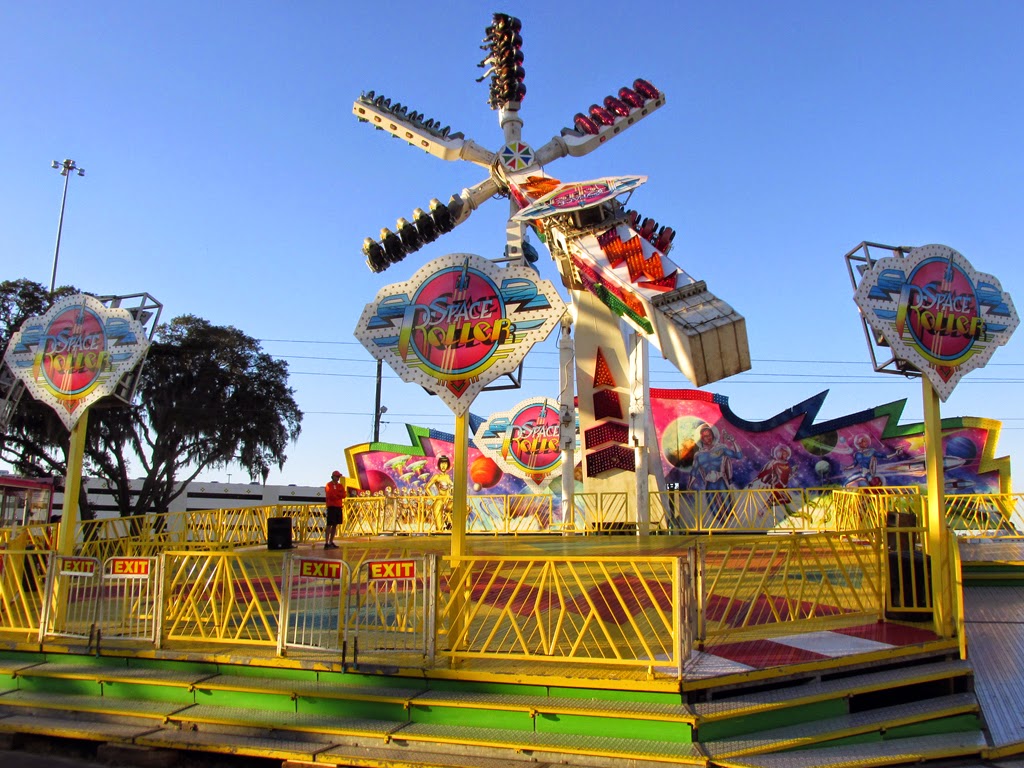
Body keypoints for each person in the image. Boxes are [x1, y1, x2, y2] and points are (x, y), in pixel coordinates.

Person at [324, 470, 345, 549]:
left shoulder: (340, 485)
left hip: (338, 507)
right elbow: (330, 495)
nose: (338, 478)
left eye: (339, 477)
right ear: (333, 477)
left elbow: (344, 494)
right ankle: (326, 542)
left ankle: (331, 541)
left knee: (335, 525)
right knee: (329, 525)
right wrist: (338, 495)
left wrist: (337, 494)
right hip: (331, 507)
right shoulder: (329, 485)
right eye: (337, 476)